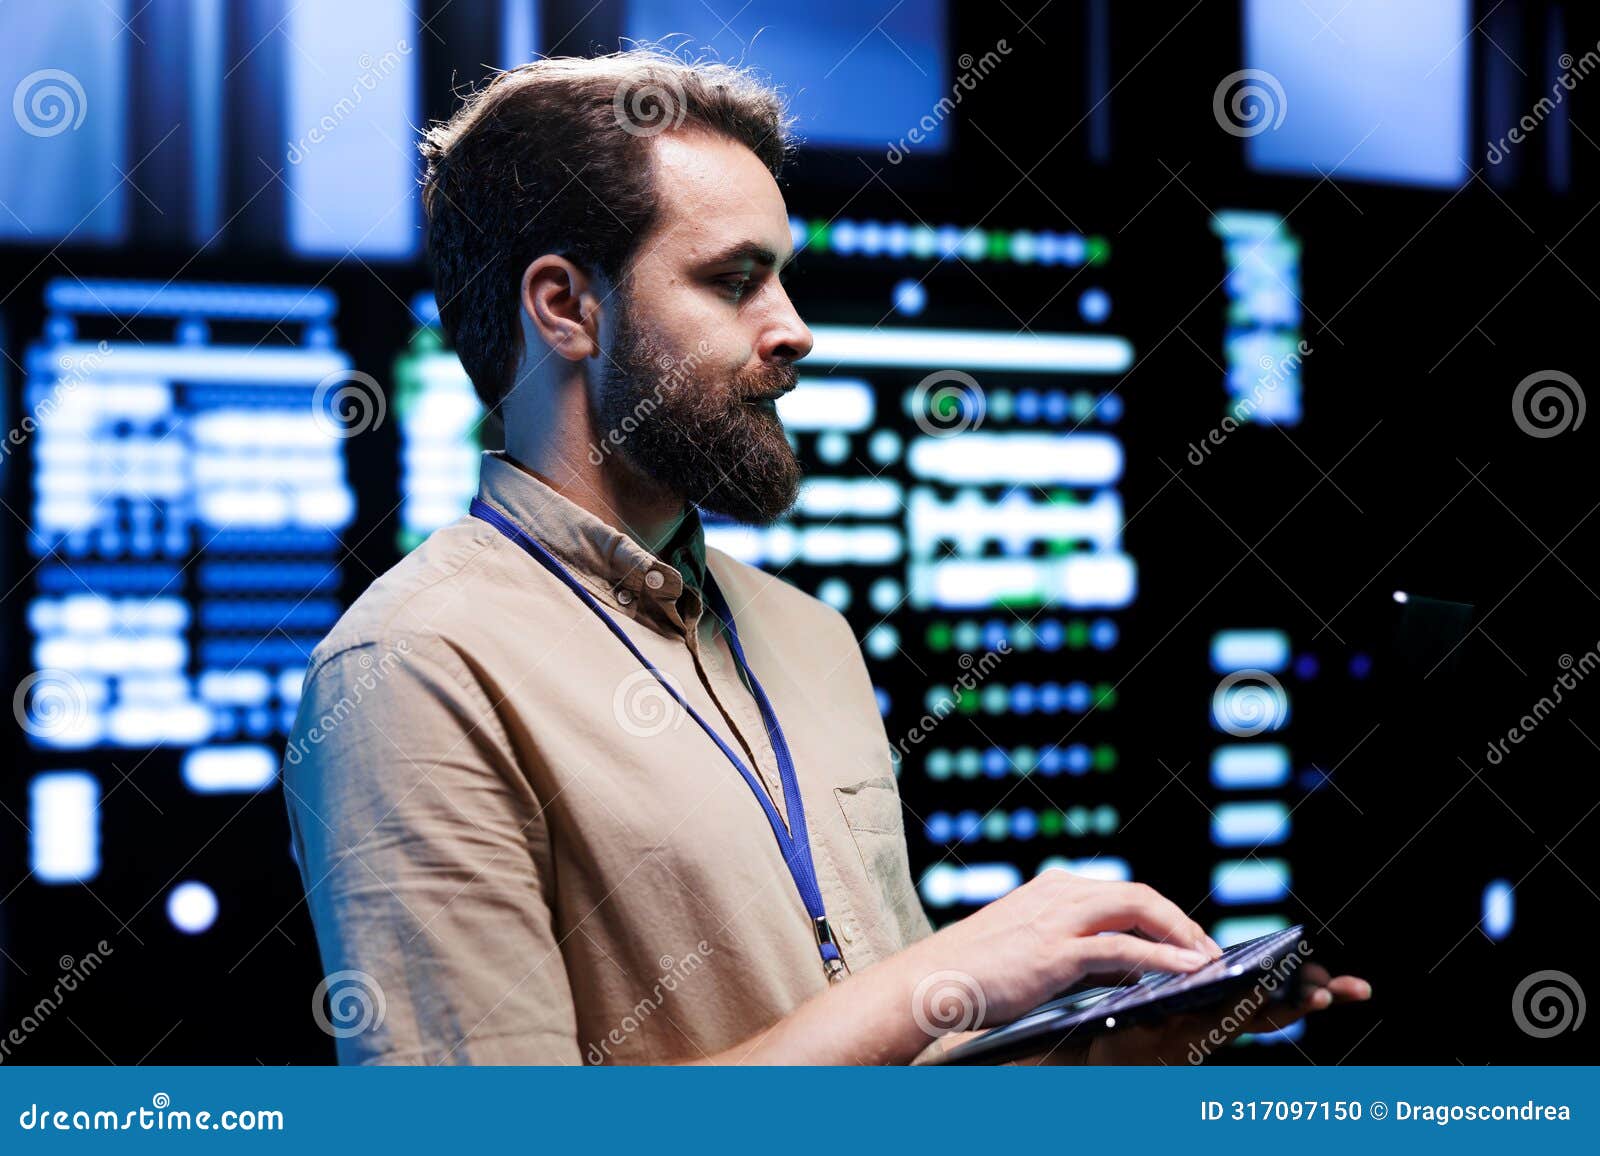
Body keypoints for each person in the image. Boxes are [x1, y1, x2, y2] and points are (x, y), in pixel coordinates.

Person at [282, 47, 1369, 1066]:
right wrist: (941, 974)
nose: (794, 328)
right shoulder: (411, 668)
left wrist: (1093, 1052)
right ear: (567, 307)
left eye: (783, 278)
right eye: (732, 280)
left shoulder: (806, 634)